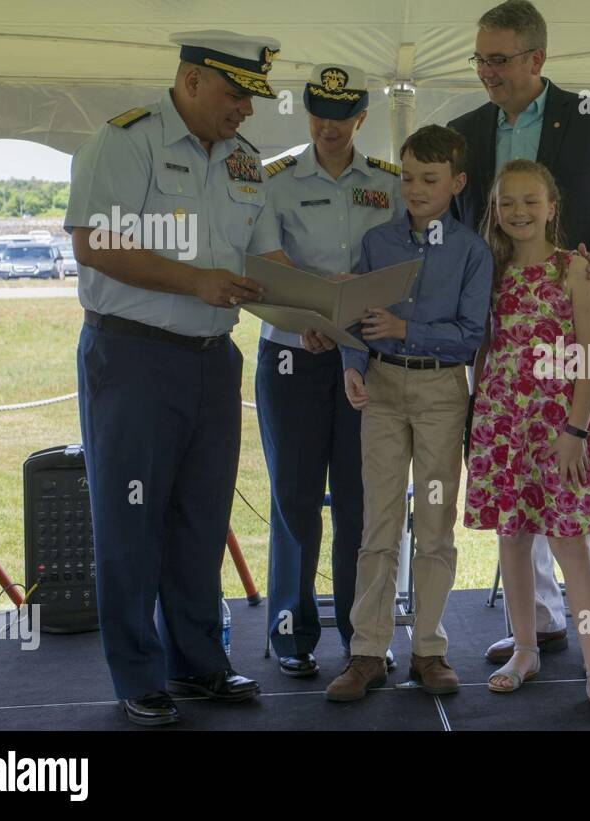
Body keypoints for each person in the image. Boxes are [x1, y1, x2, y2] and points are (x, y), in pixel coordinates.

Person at [66, 30, 289, 726]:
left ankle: (197, 664)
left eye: (252, 96)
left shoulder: (248, 163)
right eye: (234, 93)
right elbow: (94, 241)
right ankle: (137, 671)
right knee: (131, 519)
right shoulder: (125, 140)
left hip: (214, 361)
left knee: (200, 519)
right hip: (133, 356)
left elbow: (266, 262)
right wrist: (196, 280)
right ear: (191, 80)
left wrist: (325, 307)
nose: (246, 110)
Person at [448, 0, 590, 671]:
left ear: (537, 58)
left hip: (571, 342)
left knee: (587, 492)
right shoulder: (464, 131)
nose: (485, 72)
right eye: (478, 58)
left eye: (497, 59)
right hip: (501, 355)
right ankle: (535, 626)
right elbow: (452, 235)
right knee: (517, 508)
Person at [323, 124, 493, 701]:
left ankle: (430, 649)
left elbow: (472, 336)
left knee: (437, 525)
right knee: (379, 523)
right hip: (383, 393)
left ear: (457, 182)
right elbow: (351, 311)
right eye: (408, 177)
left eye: (430, 179)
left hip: (444, 395)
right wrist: (352, 360)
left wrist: (406, 328)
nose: (415, 188)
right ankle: (367, 652)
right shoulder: (377, 243)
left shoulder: (473, 251)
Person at [464, 159, 590, 721]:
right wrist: (478, 426)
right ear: (494, 209)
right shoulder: (489, 270)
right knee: (512, 540)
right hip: (502, 426)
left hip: (561, 427)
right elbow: (486, 350)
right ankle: (526, 649)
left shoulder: (575, 269)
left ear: (552, 207)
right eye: (507, 202)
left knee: (572, 547)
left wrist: (575, 431)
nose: (519, 212)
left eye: (530, 201)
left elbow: (589, 357)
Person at [255, 64, 405, 679]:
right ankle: (292, 634)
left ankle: (361, 633)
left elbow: (402, 261)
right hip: (292, 354)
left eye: (341, 117)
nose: (329, 126)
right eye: (319, 114)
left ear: (361, 119)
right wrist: (315, 306)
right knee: (294, 499)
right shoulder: (275, 180)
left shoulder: (389, 184)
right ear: (306, 114)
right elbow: (268, 261)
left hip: (364, 360)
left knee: (359, 501)